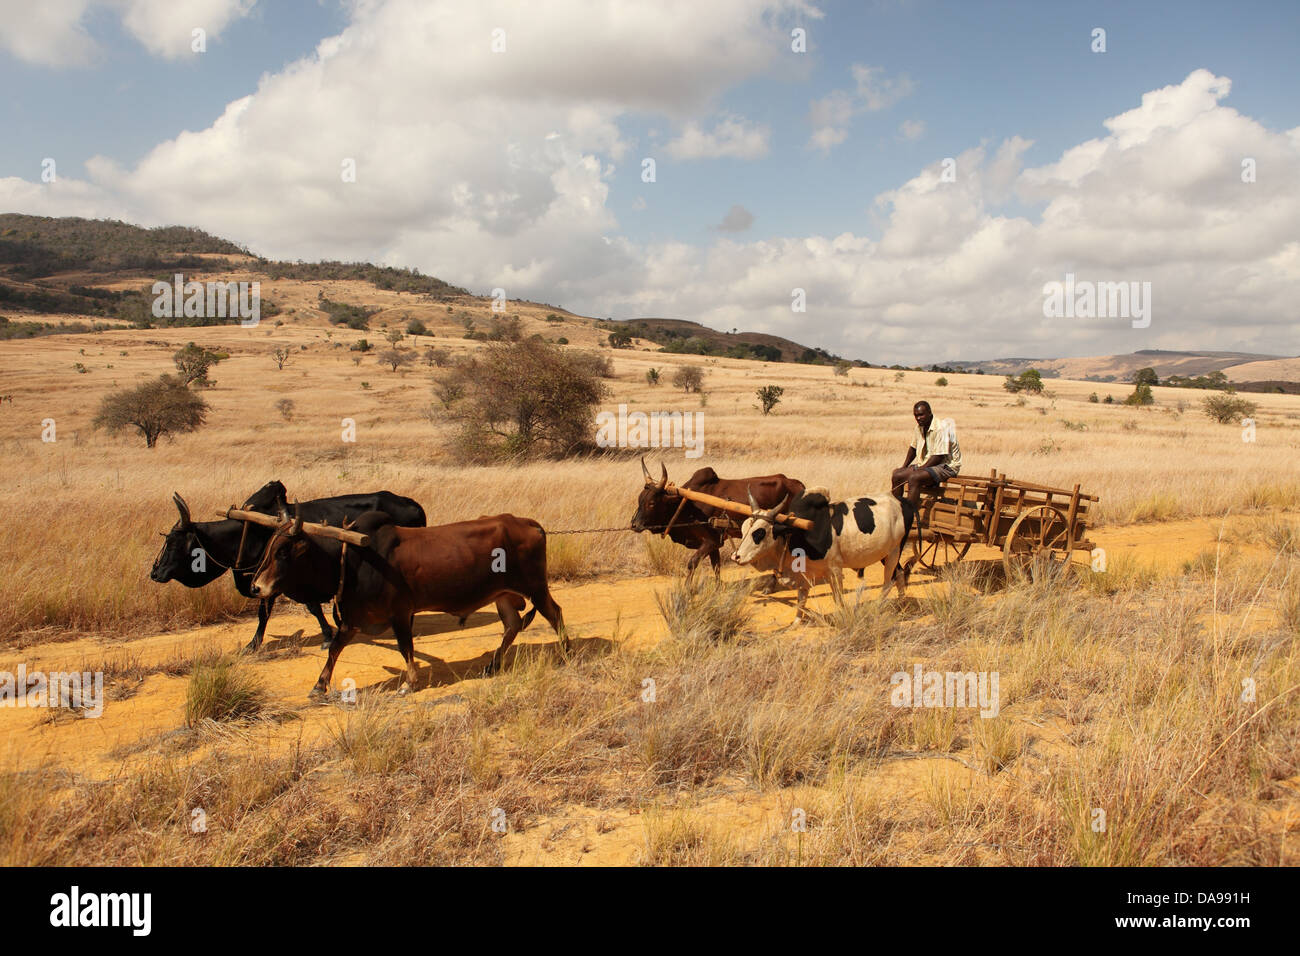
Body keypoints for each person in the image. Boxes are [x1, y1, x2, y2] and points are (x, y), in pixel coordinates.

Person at [891, 400, 961, 507]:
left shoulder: (941, 428)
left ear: (929, 413)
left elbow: (939, 456)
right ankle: (896, 511)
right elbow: (913, 448)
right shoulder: (919, 428)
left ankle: (909, 514)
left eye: (921, 415)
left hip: (946, 466)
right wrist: (903, 467)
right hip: (928, 464)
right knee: (897, 475)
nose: (918, 418)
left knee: (915, 477)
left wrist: (921, 469)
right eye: (916, 415)